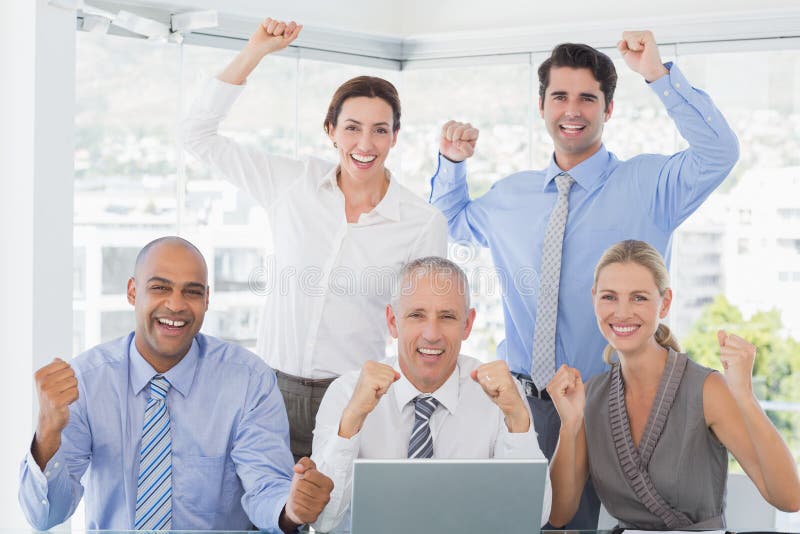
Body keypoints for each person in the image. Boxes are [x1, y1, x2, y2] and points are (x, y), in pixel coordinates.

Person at [429, 30, 739, 527]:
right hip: (526, 407)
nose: (572, 110)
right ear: (542, 105)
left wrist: (658, 76)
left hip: (619, 402)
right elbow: (447, 225)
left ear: (608, 109)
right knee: (531, 524)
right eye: (560, 96)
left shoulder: (650, 184)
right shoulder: (512, 196)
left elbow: (718, 153)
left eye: (587, 98)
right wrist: (451, 166)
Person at [181, 18, 447, 461]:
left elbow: (425, 326)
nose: (366, 143)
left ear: (395, 137)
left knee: (341, 523)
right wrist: (255, 52)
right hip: (268, 389)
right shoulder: (291, 183)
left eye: (380, 130)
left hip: (354, 396)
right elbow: (196, 134)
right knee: (263, 519)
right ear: (330, 130)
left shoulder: (421, 221)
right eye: (352, 127)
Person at [18, 237, 333, 533]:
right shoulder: (85, 381)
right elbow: (46, 516)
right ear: (132, 292)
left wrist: (292, 508)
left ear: (207, 300)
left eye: (192, 292)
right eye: (160, 288)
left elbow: (267, 489)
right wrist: (47, 433)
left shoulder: (249, 381)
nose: (176, 304)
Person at [546, 240, 800, 529]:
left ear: (664, 303)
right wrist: (570, 425)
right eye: (609, 297)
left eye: (639, 298)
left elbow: (789, 498)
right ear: (594, 299)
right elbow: (558, 515)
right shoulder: (590, 397)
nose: (622, 311)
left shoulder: (707, 389)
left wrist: (744, 396)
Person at [310, 256, 546, 532]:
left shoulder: (501, 395)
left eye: (447, 317)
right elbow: (324, 521)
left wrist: (517, 419)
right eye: (416, 315)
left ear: (467, 324)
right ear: (392, 321)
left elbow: (531, 517)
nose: (432, 334)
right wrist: (352, 420)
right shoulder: (346, 393)